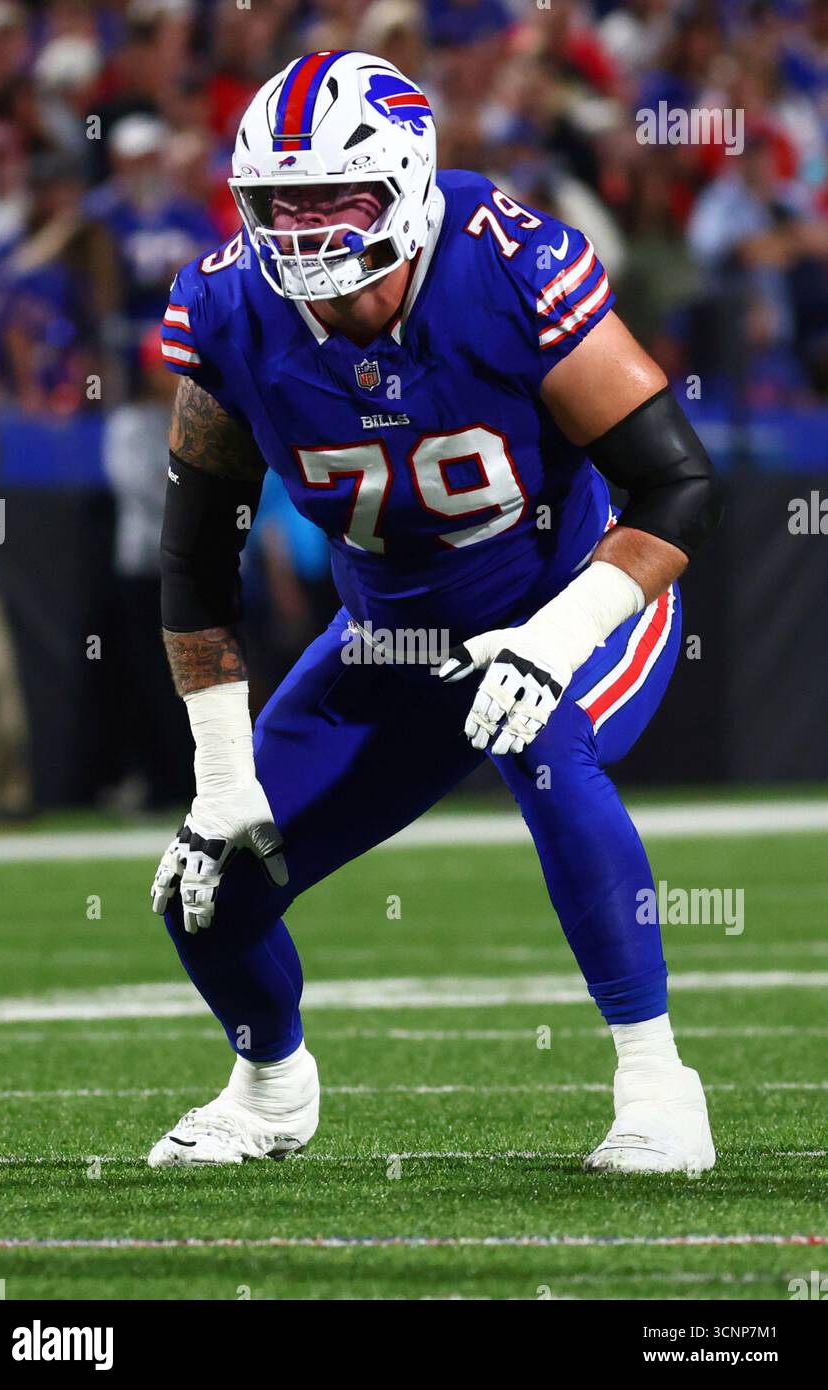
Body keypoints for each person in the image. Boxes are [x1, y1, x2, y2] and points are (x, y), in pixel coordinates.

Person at [148, 51, 722, 1173]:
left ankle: (659, 1086)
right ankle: (269, 1088)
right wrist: (221, 777)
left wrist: (558, 638)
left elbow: (676, 485)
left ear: (406, 180)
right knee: (211, 883)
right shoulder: (227, 307)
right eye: (282, 202)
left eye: (338, 198)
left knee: (547, 748)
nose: (307, 230)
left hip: (567, 589)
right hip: (389, 629)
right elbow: (194, 561)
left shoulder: (499, 262)